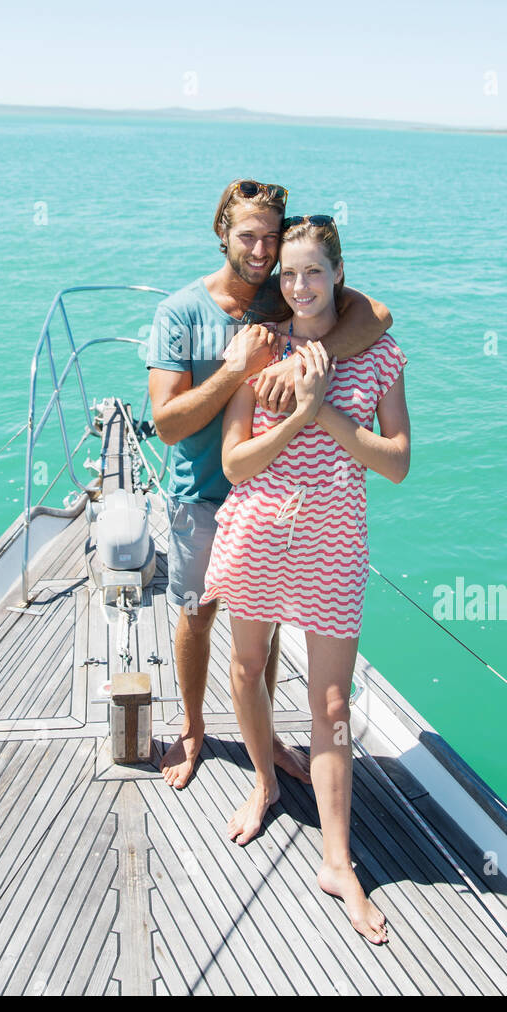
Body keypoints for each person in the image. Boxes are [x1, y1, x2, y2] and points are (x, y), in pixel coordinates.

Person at [198, 213, 410, 946]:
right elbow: (234, 465)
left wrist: (327, 419)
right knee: (248, 667)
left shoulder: (379, 355)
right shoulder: (255, 352)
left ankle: (336, 860)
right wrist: (299, 419)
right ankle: (263, 782)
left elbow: (396, 461)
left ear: (339, 274)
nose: (299, 284)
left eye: (313, 271)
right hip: (259, 529)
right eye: (288, 275)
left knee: (330, 703)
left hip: (332, 539)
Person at [146, 179, 393, 791]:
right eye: (247, 237)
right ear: (221, 235)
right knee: (198, 613)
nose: (260, 252)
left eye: (269, 239)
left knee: (267, 624)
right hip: (206, 488)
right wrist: (235, 371)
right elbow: (167, 424)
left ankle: (268, 737)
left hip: (273, 498)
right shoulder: (181, 312)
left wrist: (291, 362)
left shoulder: (285, 297)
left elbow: (376, 315)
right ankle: (195, 726)